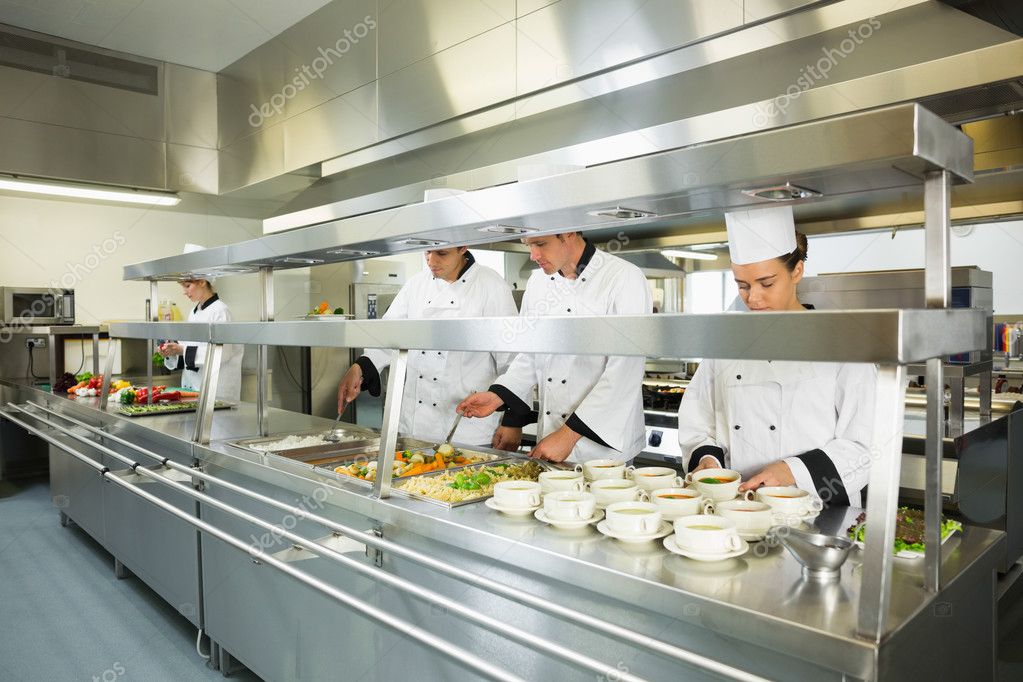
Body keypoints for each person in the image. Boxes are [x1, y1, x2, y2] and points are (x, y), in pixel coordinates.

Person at [677, 206, 877, 507]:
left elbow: (865, 446)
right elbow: (698, 419)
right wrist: (707, 459)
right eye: (742, 285)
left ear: (796, 271)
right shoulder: (727, 345)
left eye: (766, 283)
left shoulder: (843, 344)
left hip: (817, 513)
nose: (753, 298)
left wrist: (791, 472)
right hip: (738, 509)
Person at [457, 232, 650, 464]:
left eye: (540, 244)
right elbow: (530, 353)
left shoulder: (623, 278)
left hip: (604, 450)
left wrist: (568, 436)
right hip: (551, 437)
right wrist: (499, 395)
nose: (533, 255)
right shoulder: (538, 282)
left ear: (568, 233)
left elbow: (624, 372)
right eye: (529, 245)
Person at [336, 246, 516, 446]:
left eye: (442, 254)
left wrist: (512, 421)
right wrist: (360, 367)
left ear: (462, 248)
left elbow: (512, 360)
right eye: (427, 252)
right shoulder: (416, 284)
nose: (431, 261)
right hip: (412, 428)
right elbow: (389, 335)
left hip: (468, 431)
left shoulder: (492, 286)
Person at [158, 245, 243, 401]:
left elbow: (222, 353)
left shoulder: (220, 311)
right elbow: (189, 347)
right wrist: (172, 351)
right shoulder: (194, 311)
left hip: (217, 392)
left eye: (187, 286)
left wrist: (182, 349)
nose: (184, 292)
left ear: (202, 281)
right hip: (194, 388)